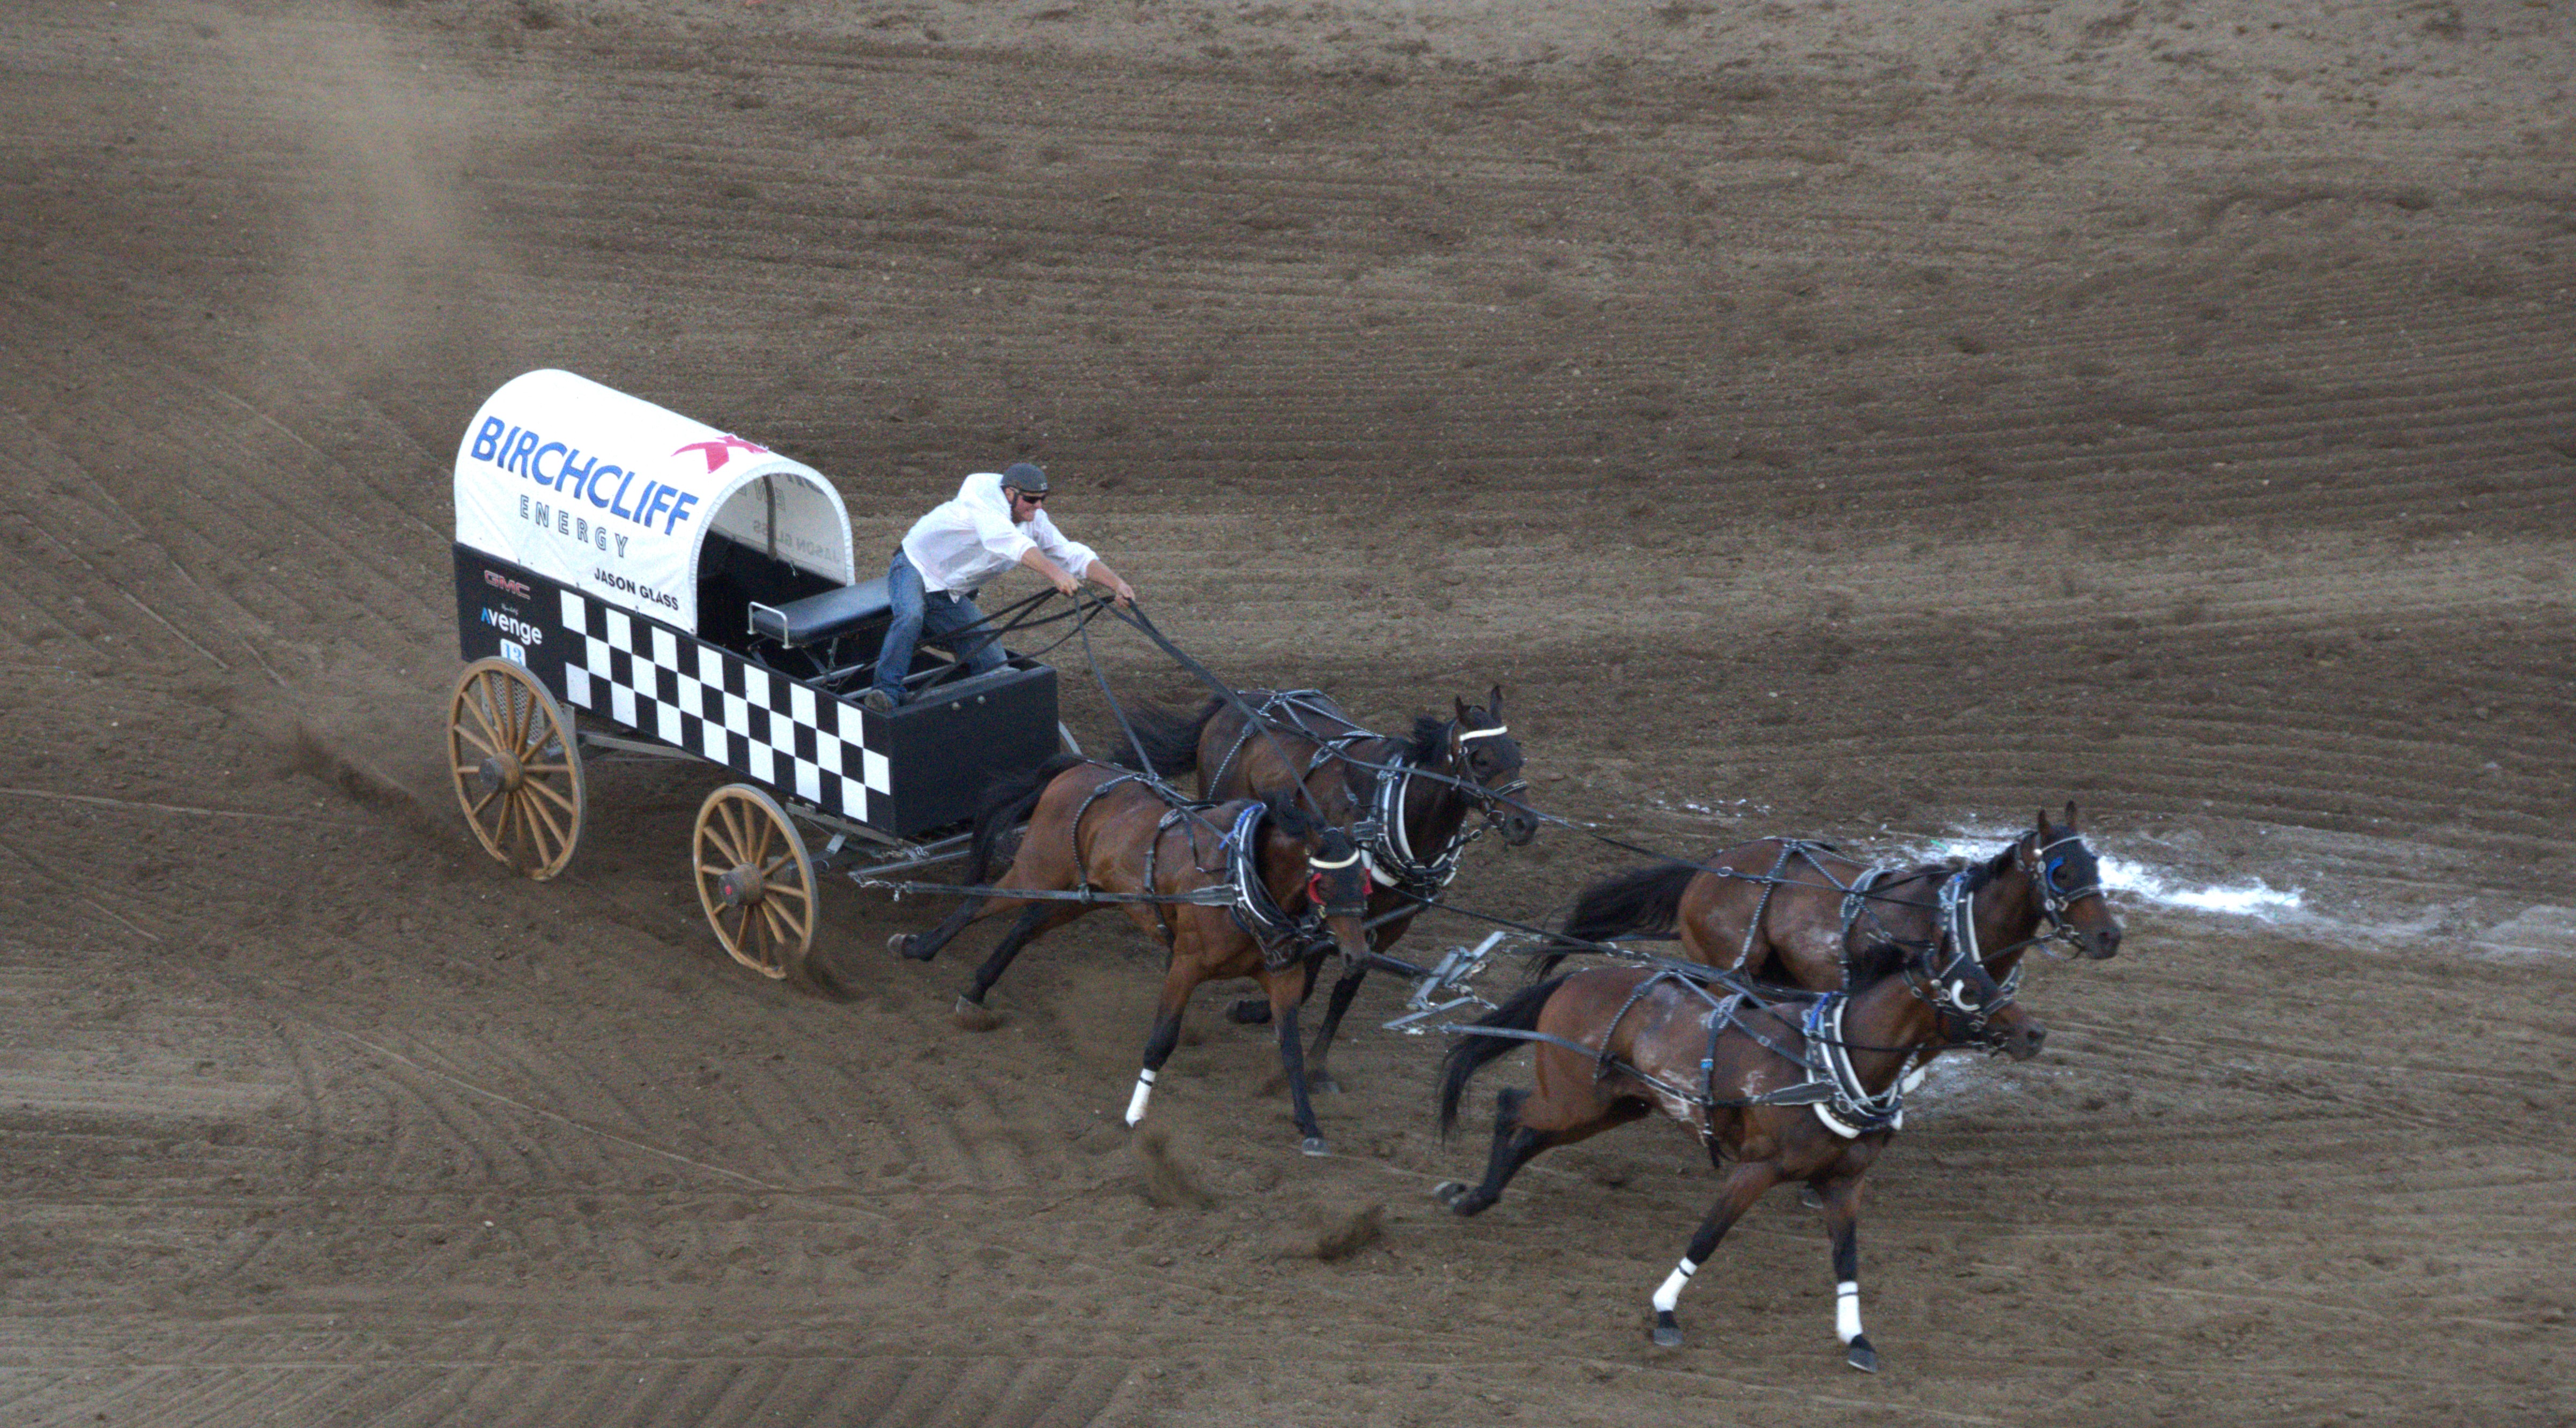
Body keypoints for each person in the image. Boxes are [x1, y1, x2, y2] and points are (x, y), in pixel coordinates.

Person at [863, 462, 1136, 712]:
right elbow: (1009, 542)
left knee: (994, 668)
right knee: (910, 615)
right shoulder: (982, 501)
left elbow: (1071, 554)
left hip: (949, 594)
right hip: (913, 568)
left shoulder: (1034, 520)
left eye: (1042, 499)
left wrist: (1116, 583)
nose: (1038, 506)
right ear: (1010, 494)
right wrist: (1056, 575)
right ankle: (885, 691)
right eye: (1031, 499)